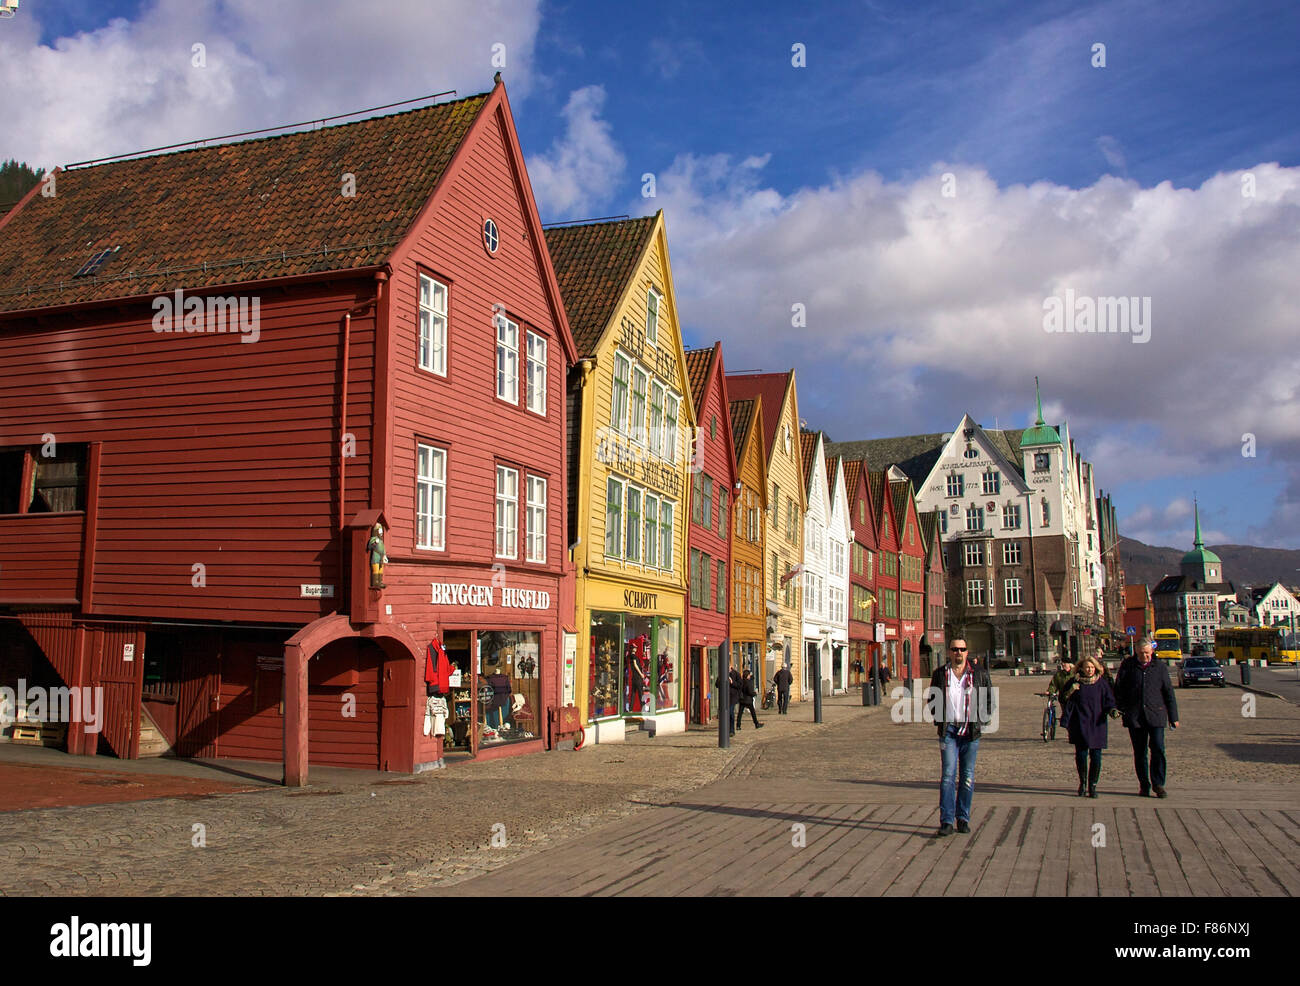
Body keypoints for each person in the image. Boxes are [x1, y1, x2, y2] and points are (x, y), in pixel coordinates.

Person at [930, 638, 995, 836]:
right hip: (949, 731)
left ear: (967, 652)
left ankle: (963, 818)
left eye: (962, 649)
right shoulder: (941, 674)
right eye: (955, 649)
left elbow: (989, 699)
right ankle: (947, 820)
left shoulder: (980, 674)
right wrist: (939, 720)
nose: (959, 652)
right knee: (948, 776)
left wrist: (981, 720)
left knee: (967, 777)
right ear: (949, 652)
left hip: (971, 732)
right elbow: (932, 699)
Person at [1115, 638, 1180, 798]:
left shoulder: (1159, 667)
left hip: (1156, 714)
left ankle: (1158, 784)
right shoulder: (1128, 666)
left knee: (1158, 748)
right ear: (1136, 652)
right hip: (1135, 716)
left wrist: (1173, 716)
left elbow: (1168, 692)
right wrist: (1122, 708)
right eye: (1141, 653)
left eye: (1147, 653)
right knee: (1140, 752)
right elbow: (1119, 688)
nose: (1144, 656)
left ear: (1152, 652)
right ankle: (1144, 784)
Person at [1066, 654, 1119, 797]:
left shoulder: (1101, 683)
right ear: (1081, 668)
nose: (1089, 670)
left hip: (1097, 723)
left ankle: (1093, 785)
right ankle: (1082, 783)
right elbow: (1063, 698)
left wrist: (1112, 710)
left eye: (1091, 667)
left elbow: (1109, 700)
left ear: (1095, 668)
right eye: (1086, 667)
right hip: (1079, 723)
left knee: (1096, 756)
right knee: (1081, 755)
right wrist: (1071, 691)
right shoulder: (1075, 682)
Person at [1049, 658, 1077, 726]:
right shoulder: (1058, 675)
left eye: (1065, 663)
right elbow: (1054, 684)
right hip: (1063, 698)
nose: (1063, 664)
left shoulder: (1075, 673)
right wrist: (1050, 691)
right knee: (1066, 713)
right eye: (1062, 663)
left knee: (1074, 715)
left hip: (1075, 698)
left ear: (1070, 664)